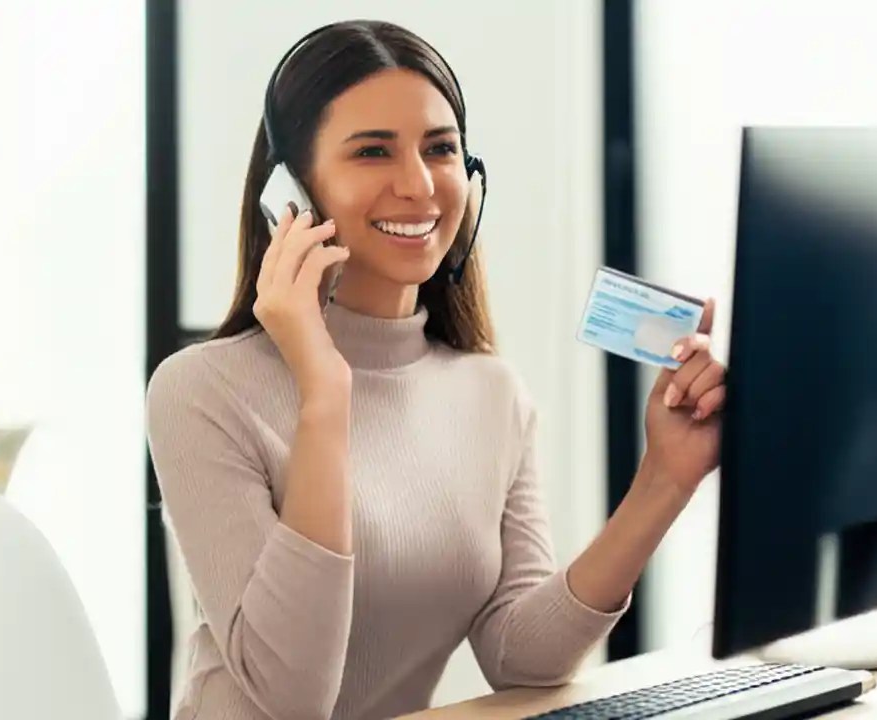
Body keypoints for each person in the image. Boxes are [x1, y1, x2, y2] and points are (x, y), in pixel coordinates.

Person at [145, 20, 727, 720]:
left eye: (440, 149)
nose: (419, 186)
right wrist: (324, 392)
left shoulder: (490, 393)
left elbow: (521, 656)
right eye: (372, 152)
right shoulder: (201, 391)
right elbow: (289, 699)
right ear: (291, 195)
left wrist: (664, 480)